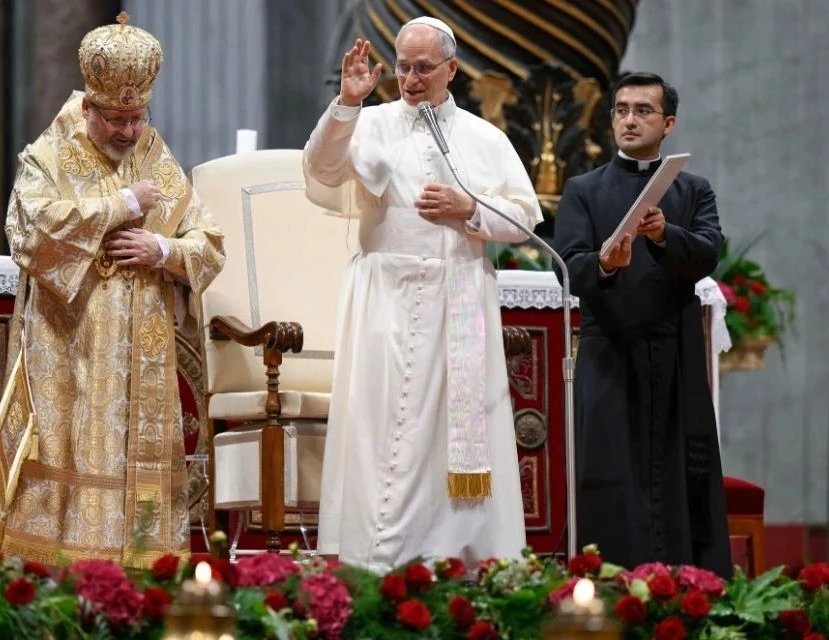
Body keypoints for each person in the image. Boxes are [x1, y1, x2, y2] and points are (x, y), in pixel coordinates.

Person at [0, 12, 226, 567]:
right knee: (69, 457)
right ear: (87, 107)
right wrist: (120, 207)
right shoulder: (50, 155)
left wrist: (163, 252)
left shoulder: (151, 153)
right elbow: (29, 231)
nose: (127, 131)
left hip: (142, 351)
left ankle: (143, 576)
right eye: (115, 120)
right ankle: (54, 585)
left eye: (136, 118)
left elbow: (209, 242)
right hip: (67, 345)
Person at [303, 16, 542, 572]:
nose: (410, 79)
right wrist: (346, 102)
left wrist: (471, 210)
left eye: (424, 68)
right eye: (404, 67)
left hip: (458, 298)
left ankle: (460, 559)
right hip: (384, 299)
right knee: (383, 429)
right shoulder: (372, 123)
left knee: (453, 442)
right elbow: (321, 170)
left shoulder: (486, 138)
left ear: (451, 69)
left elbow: (528, 219)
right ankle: (375, 559)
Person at [552, 71, 732, 576]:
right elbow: (567, 266)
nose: (629, 119)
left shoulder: (693, 190)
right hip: (609, 351)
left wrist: (662, 234)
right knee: (610, 476)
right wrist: (608, 262)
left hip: (674, 354)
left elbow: (706, 253)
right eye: (621, 109)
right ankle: (607, 590)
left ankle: (685, 589)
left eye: (643, 110)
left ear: (668, 123)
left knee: (679, 478)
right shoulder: (584, 190)